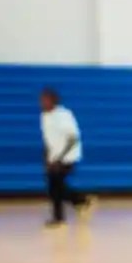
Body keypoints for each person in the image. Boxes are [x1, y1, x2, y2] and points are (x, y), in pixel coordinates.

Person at [39, 88, 94, 227]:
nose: (42, 102)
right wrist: (47, 158)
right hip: (54, 158)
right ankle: (81, 201)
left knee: (55, 185)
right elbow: (47, 140)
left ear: (54, 100)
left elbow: (72, 139)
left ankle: (59, 218)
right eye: (41, 100)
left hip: (68, 156)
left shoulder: (64, 115)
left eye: (45, 99)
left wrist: (60, 159)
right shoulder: (44, 116)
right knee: (55, 187)